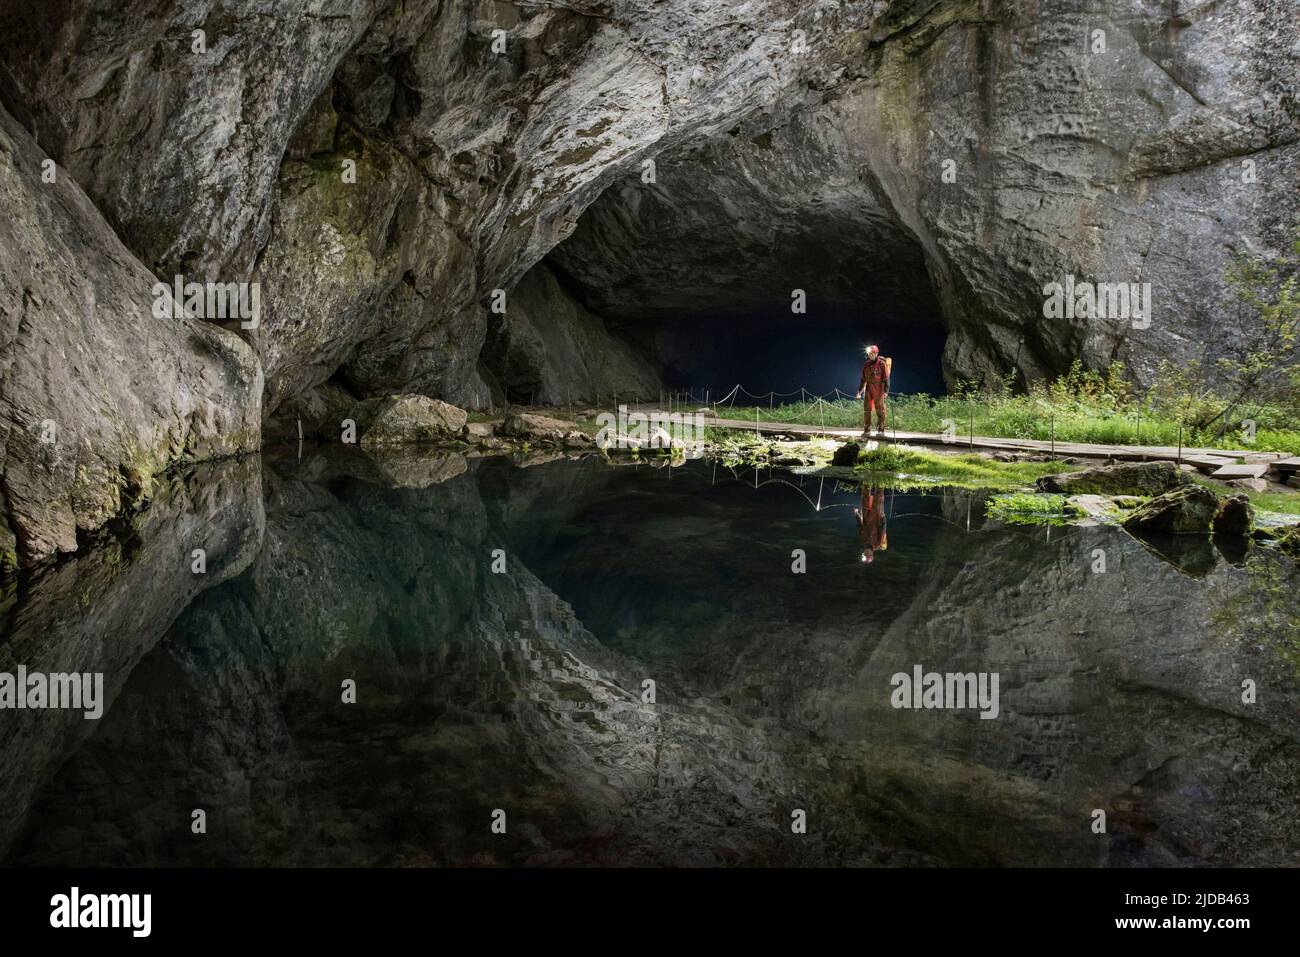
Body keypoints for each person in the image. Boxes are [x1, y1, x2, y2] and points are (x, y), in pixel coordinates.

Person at [855, 344, 890, 436]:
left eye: (873, 354)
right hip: (868, 389)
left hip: (878, 388)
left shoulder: (881, 364)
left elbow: (886, 379)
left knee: (880, 409)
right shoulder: (866, 364)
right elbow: (863, 379)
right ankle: (867, 429)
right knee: (867, 409)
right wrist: (859, 391)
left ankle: (881, 429)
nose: (871, 355)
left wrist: (886, 391)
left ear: (876, 354)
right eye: (870, 354)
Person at [854, 485, 887, 564]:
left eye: (864, 553)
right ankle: (881, 480)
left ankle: (866, 481)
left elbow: (860, 526)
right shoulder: (878, 544)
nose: (865, 552)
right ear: (870, 554)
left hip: (865, 517)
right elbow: (883, 530)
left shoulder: (862, 541)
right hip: (877, 518)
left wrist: (856, 514)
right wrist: (883, 519)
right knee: (878, 497)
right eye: (866, 554)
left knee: (865, 497)